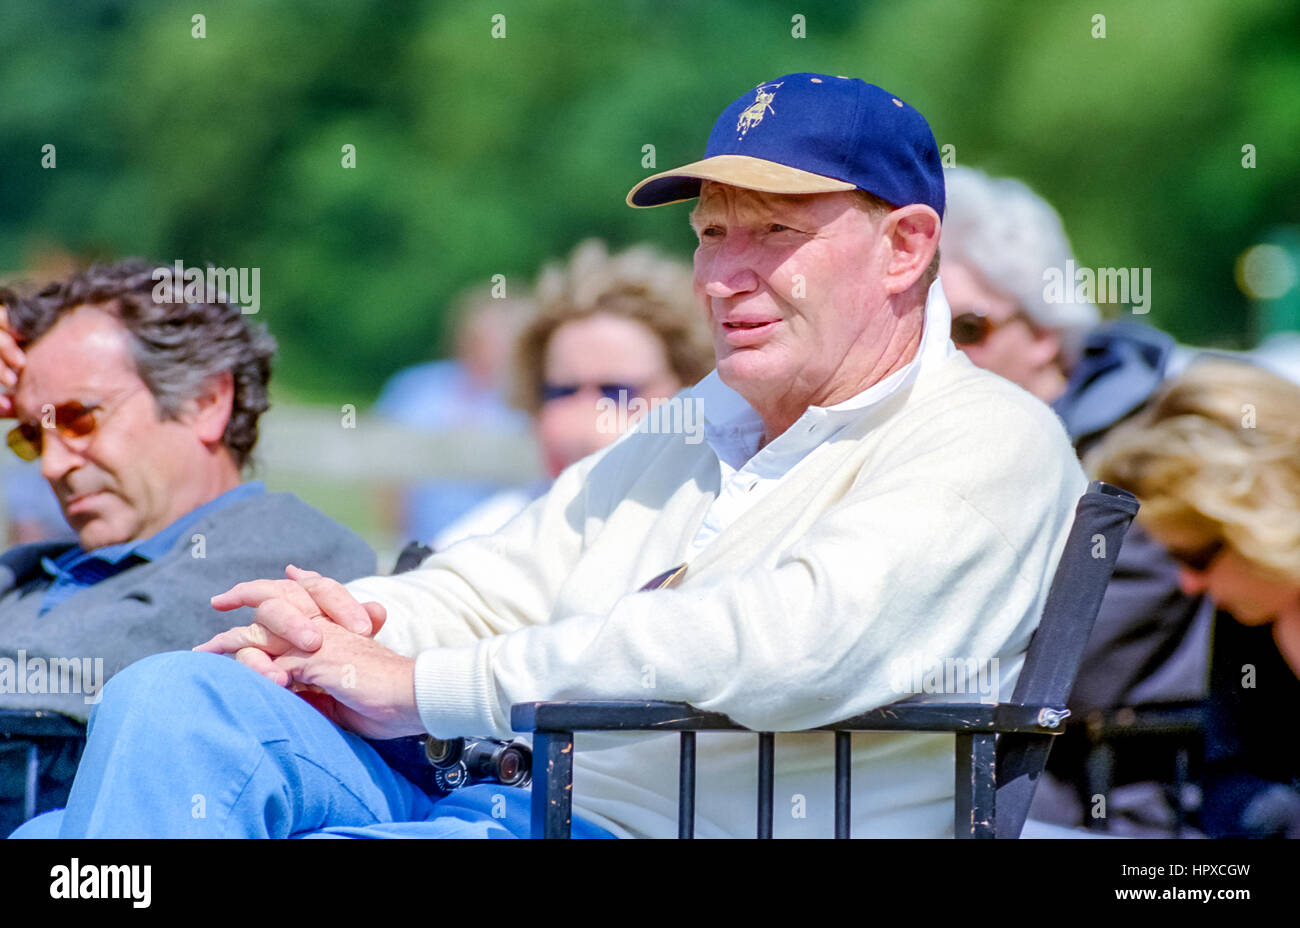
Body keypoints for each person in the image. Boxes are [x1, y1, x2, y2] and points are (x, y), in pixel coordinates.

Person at [12, 73, 1086, 839]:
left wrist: (427, 683)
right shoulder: (701, 420)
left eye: (774, 232)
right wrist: (359, 625)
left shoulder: (988, 438)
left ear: (904, 246)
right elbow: (509, 573)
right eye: (713, 233)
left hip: (680, 820)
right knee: (170, 700)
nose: (722, 275)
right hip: (524, 797)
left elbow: (789, 644)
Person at [0, 259, 377, 833]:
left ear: (205, 400)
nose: (53, 465)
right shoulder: (31, 571)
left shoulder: (290, 554)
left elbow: (94, 670)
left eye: (78, 419)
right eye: (31, 437)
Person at [939, 165, 1212, 834]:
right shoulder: (941, 445)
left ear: (1042, 329)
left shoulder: (1149, 454)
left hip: (1126, 808)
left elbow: (1061, 661)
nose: (938, 352)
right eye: (921, 326)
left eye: (966, 328)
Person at [1088, 359, 1300, 837]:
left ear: (1266, 520)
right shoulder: (1252, 614)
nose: (1188, 586)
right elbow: (1233, 772)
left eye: (1197, 558)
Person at [433, 239, 714, 548]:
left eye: (617, 392)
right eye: (560, 392)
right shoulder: (482, 539)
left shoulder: (717, 525)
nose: (581, 421)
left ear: (692, 386)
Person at [374, 287, 534, 545]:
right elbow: (386, 475)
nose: (490, 347)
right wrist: (400, 541)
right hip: (421, 542)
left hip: (493, 546)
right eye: (482, 337)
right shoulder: (416, 387)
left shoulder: (524, 399)